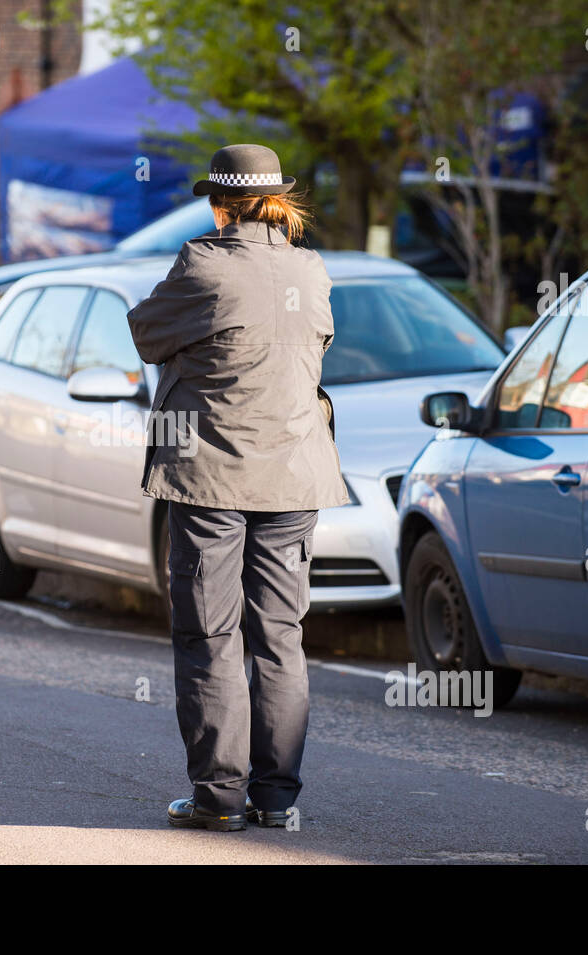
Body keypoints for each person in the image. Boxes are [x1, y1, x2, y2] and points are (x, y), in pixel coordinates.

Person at [127, 143, 349, 831]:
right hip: (295, 475)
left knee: (210, 634)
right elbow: (315, 348)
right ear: (275, 201)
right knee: (281, 637)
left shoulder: (203, 263)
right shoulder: (311, 270)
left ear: (220, 204)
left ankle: (218, 798)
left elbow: (145, 333)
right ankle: (276, 799)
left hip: (209, 477)